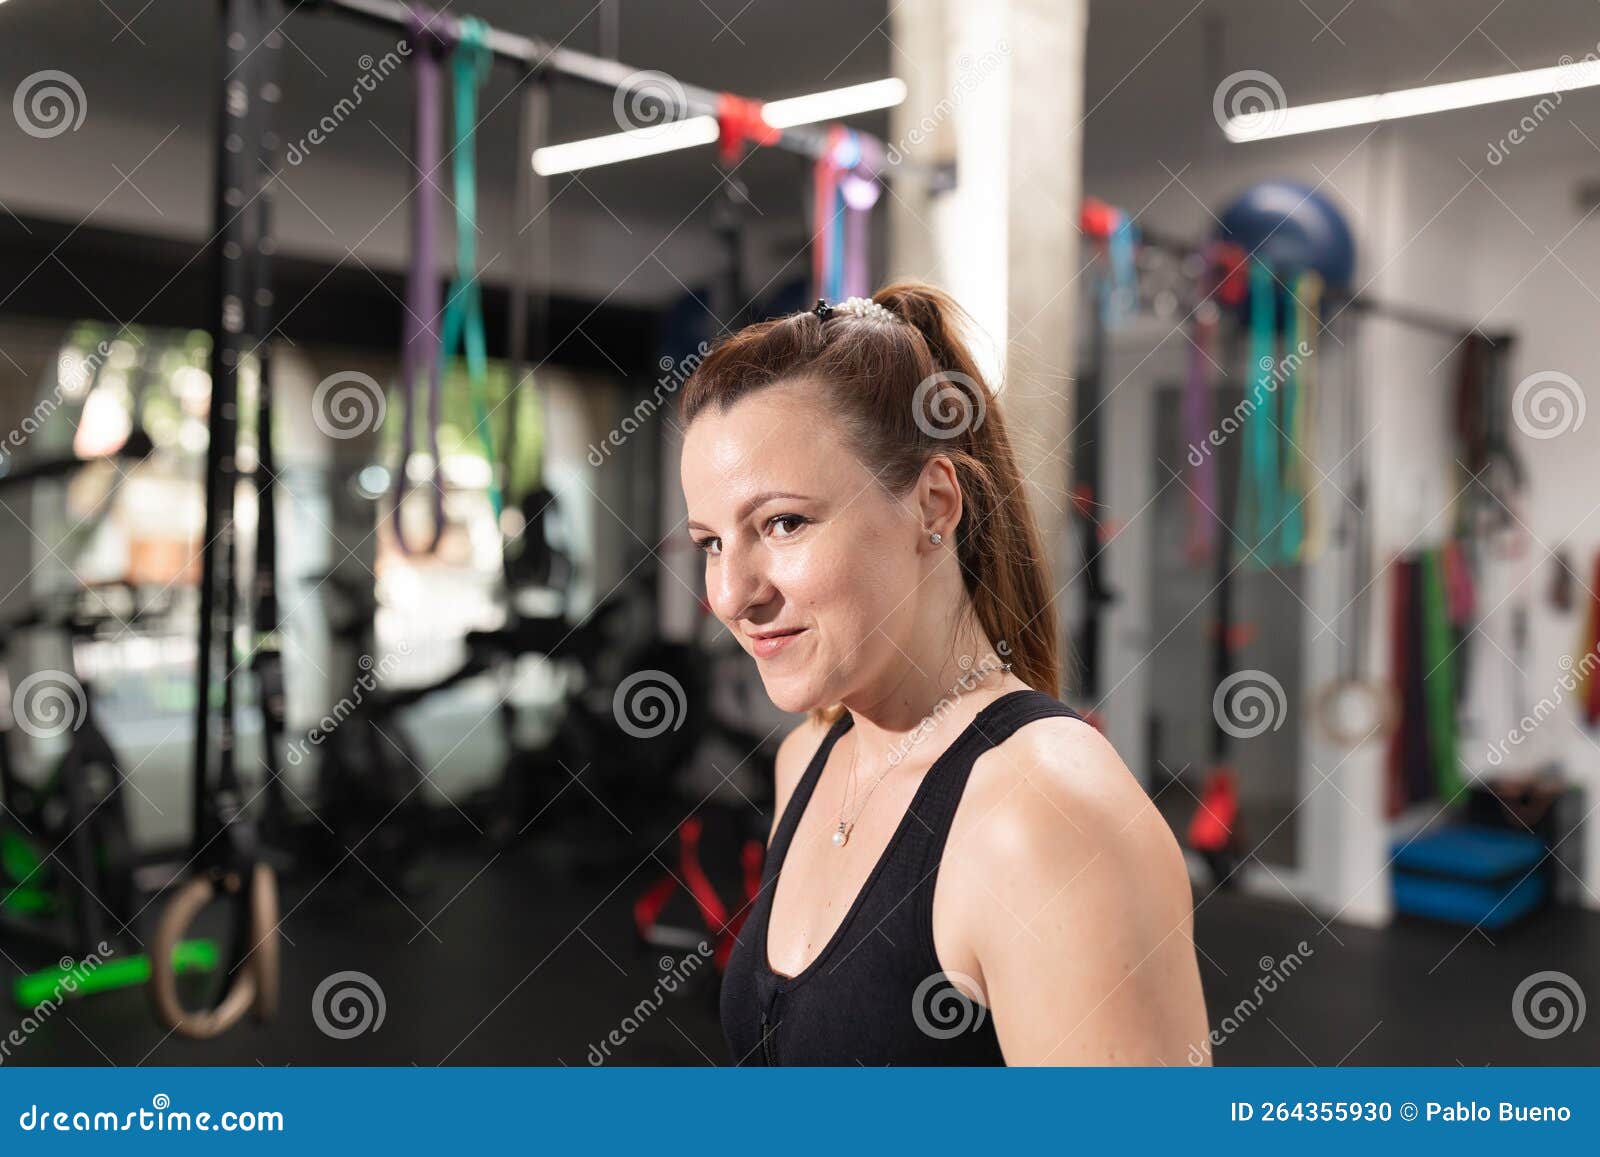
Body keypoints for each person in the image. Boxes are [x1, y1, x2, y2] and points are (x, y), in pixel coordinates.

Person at [678, 282, 1209, 1066]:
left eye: (782, 522)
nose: (730, 594)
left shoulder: (1051, 818)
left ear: (932, 503)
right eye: (712, 542)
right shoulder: (811, 758)